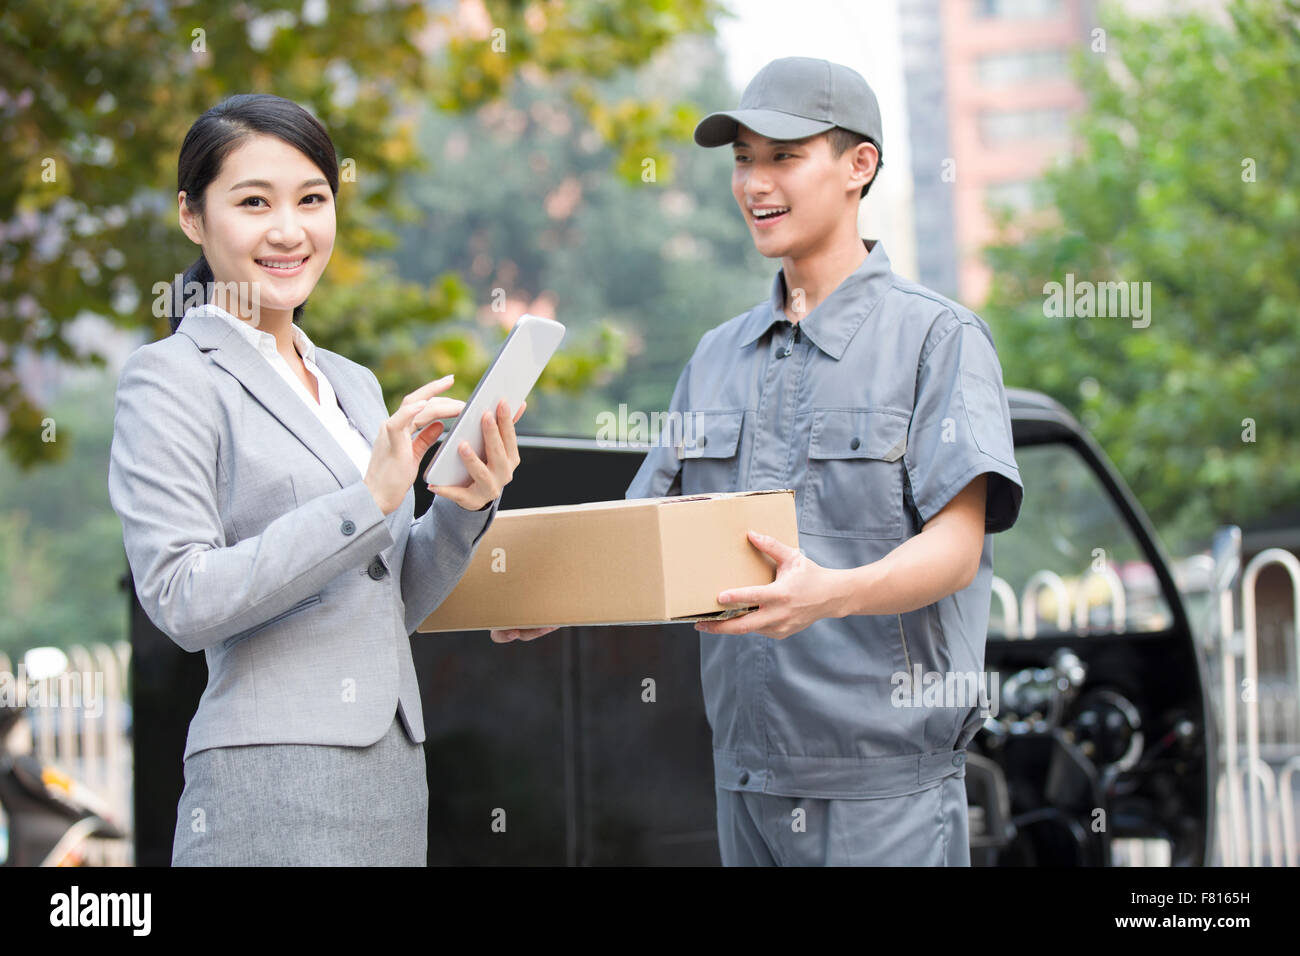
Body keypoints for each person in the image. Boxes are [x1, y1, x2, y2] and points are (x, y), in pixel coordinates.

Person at [496, 57, 1024, 866]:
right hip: (744, 784)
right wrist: (548, 590)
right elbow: (650, 534)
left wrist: (830, 596)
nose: (755, 182)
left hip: (886, 795)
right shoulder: (716, 356)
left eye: (784, 155)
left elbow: (956, 551)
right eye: (744, 158)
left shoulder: (937, 339)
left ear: (859, 166)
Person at [108, 94, 524, 866]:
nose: (289, 230)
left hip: (393, 776)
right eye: (253, 202)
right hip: (270, 783)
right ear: (192, 217)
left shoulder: (352, 385)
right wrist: (365, 500)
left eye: (313, 199)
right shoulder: (168, 378)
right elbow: (183, 598)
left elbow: (386, 599)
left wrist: (461, 508)